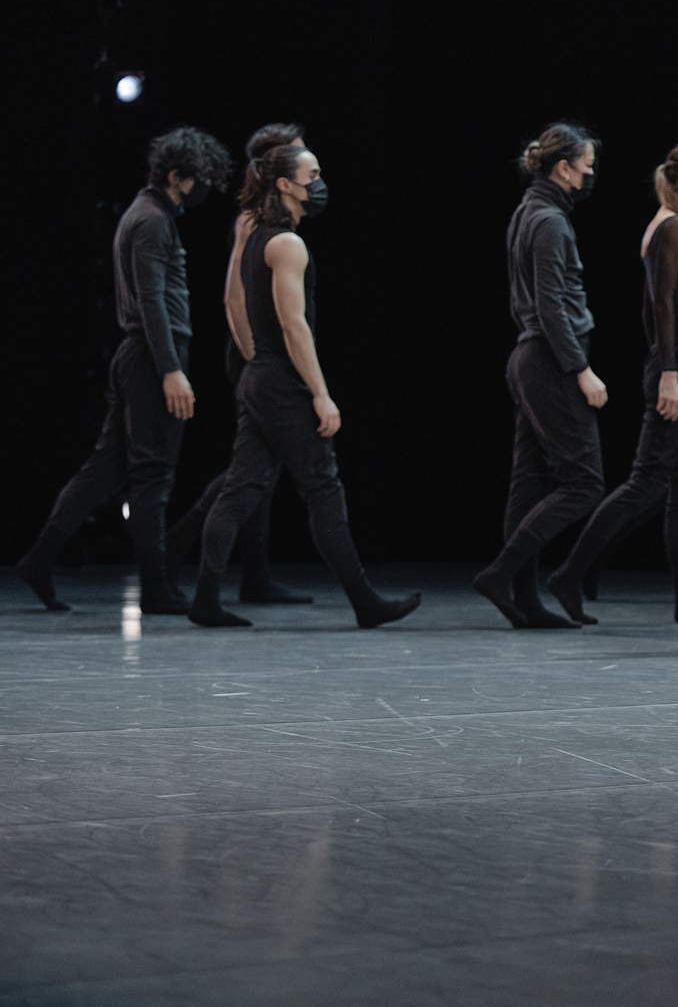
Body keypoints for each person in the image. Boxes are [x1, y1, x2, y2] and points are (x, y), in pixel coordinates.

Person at [187, 144, 421, 628]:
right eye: (311, 175)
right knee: (322, 487)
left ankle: (205, 599)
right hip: (280, 382)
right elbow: (294, 325)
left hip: (262, 378)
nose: (319, 183)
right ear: (285, 185)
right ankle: (364, 600)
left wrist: (261, 370)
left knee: (240, 489)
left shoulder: (260, 238)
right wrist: (319, 392)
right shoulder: (286, 244)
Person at [17, 125, 232, 613]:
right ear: (176, 176)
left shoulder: (146, 213)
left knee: (104, 469)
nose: (204, 191)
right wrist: (170, 369)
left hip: (139, 358)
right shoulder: (152, 220)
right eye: (199, 180)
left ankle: (38, 559)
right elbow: (153, 301)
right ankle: (156, 587)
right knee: (154, 473)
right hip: (150, 358)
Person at [546, 141, 678, 625]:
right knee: (648, 480)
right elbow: (660, 305)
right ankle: (569, 574)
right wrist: (671, 374)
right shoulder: (672, 227)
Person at [164, 122, 314, 607]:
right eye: (295, 156)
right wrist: (259, 362)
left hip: (265, 356)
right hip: (253, 353)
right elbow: (233, 300)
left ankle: (253, 575)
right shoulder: (253, 219)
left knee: (258, 469)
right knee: (251, 470)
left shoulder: (280, 219)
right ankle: (182, 550)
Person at [472, 123, 605, 629]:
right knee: (584, 483)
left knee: (529, 481)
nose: (590, 176)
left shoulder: (528, 211)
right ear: (564, 167)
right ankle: (502, 574)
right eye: (586, 167)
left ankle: (523, 597)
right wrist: (581, 369)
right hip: (549, 361)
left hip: (530, 356)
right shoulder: (549, 220)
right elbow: (551, 304)